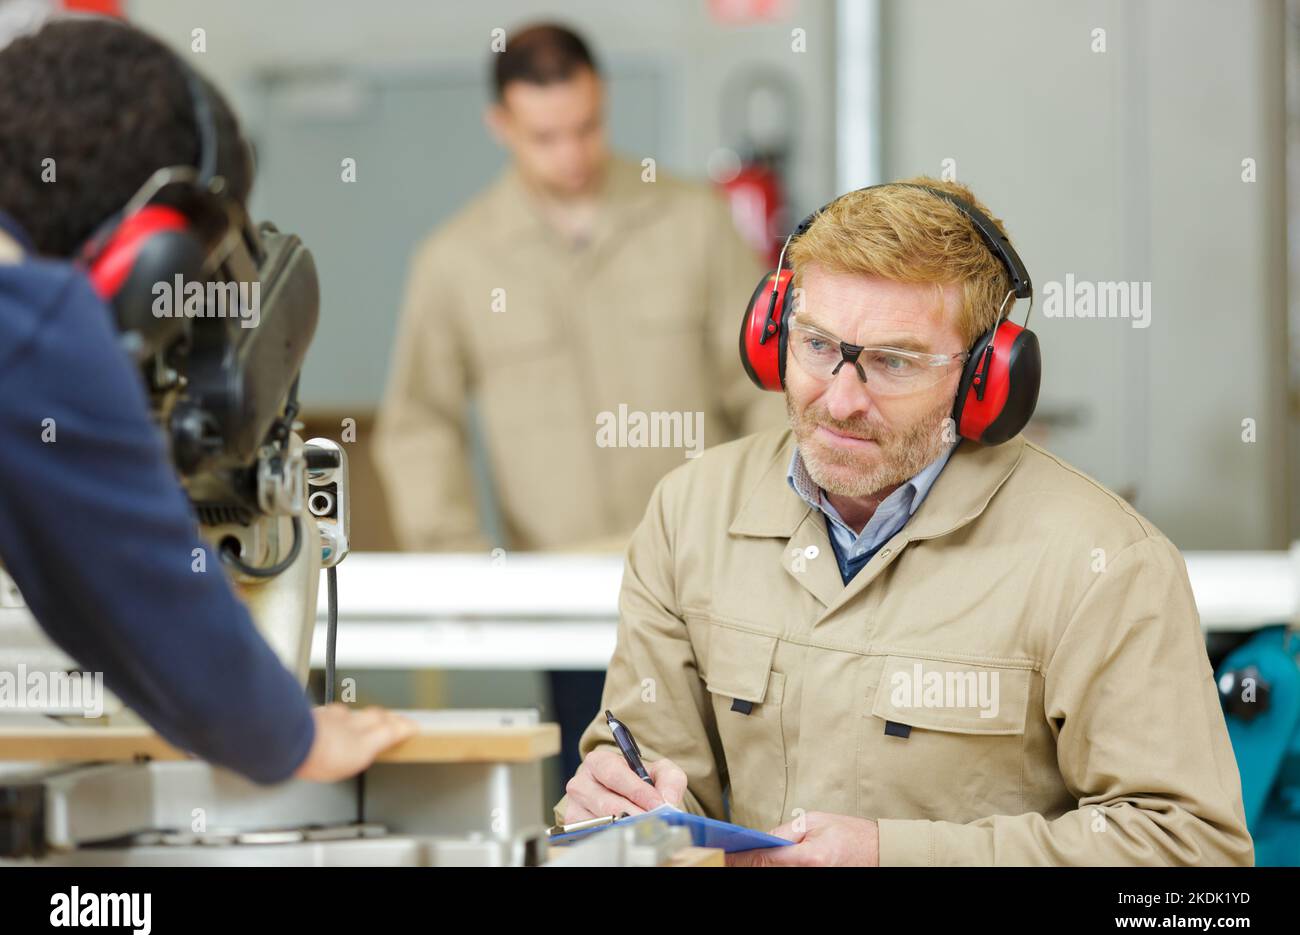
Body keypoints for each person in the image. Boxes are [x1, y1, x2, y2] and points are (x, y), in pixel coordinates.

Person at [555, 179, 1254, 866]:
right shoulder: (691, 514)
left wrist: (897, 856)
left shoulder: (1102, 562)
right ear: (772, 336)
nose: (842, 400)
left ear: (985, 378)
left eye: (893, 361)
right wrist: (618, 814)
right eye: (819, 346)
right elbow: (651, 786)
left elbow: (1192, 855)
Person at [0, 17, 415, 785]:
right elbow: (122, 585)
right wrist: (289, 736)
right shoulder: (30, 317)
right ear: (148, 252)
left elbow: (69, 573)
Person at [373, 22, 784, 780]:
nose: (571, 153)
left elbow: (768, 388)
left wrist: (770, 530)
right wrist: (457, 559)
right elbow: (419, 422)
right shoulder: (457, 259)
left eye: (587, 127)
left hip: (705, 578)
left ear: (605, 102)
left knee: (736, 792)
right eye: (545, 136)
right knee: (596, 794)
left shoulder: (693, 219)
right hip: (562, 597)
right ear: (501, 125)